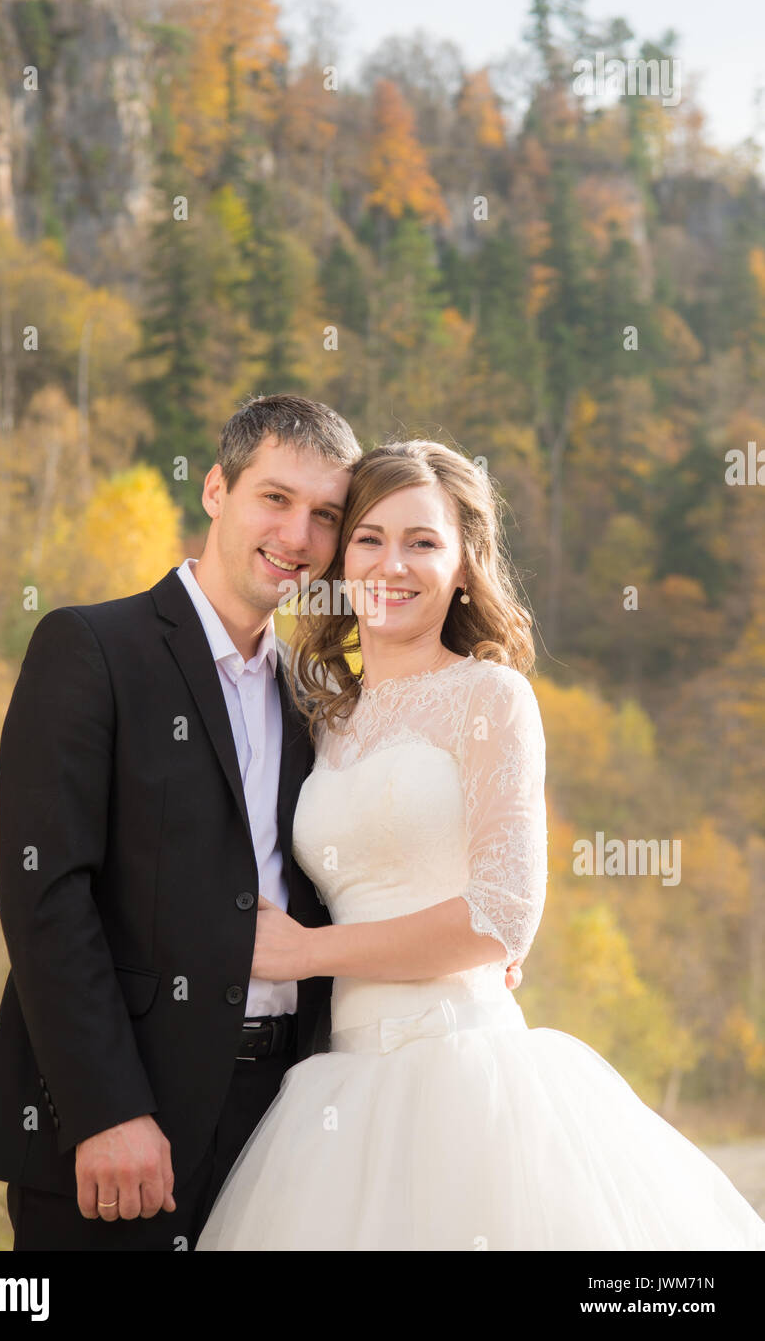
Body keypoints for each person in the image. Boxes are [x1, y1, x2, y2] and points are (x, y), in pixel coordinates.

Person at [0, 393, 528, 1250]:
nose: (298, 536)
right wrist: (105, 1110)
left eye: (325, 515)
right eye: (275, 499)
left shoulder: (318, 704)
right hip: (125, 1121)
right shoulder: (93, 650)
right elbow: (45, 898)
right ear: (216, 490)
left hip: (290, 1114)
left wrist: (470, 949)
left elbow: (351, 873)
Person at [195, 438, 765, 1251]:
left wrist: (309, 953)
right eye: (369, 538)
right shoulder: (319, 720)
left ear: (464, 565)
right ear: (340, 557)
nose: (391, 564)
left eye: (423, 542)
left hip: (462, 1074)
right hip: (336, 1083)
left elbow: (500, 916)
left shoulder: (489, 698)